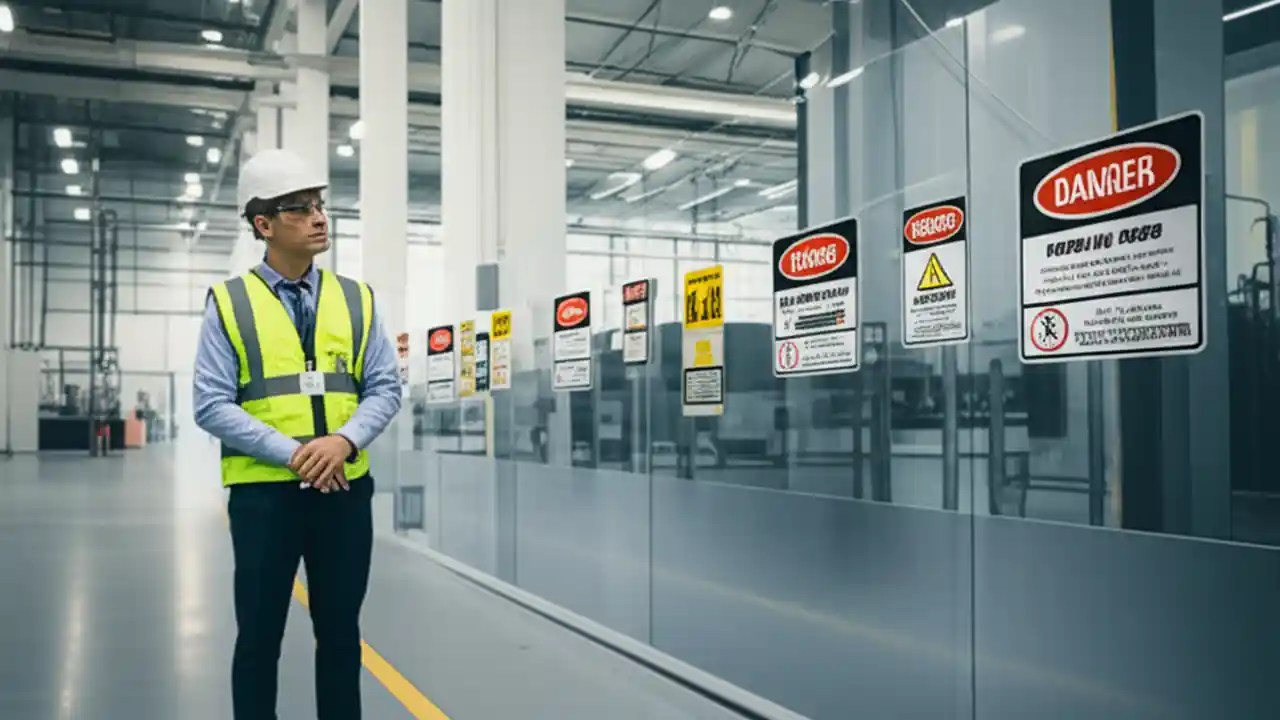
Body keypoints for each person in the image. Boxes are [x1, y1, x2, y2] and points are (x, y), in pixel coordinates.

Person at [193, 148, 401, 719]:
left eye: (319, 205)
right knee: (259, 640)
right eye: (299, 208)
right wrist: (295, 454)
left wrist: (343, 442)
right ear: (263, 225)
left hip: (344, 493)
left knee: (341, 637)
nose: (318, 217)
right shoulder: (229, 304)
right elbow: (210, 403)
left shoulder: (357, 299)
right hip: (264, 499)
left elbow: (385, 386)